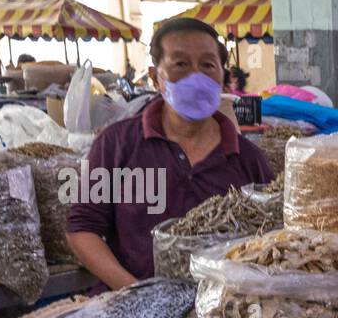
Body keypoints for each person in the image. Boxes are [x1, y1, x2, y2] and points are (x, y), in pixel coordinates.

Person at [66, 17, 273, 289]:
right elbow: (82, 228)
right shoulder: (116, 145)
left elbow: (270, 239)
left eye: (208, 65)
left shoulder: (248, 159)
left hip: (221, 313)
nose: (196, 77)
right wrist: (135, 291)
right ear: (155, 78)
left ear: (224, 79)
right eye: (180, 64)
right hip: (131, 306)